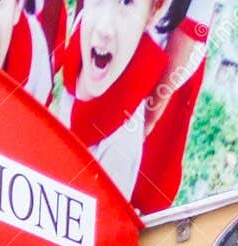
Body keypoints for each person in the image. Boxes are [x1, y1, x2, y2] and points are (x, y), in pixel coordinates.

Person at [55, 0, 181, 199]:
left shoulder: (119, 147)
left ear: (155, 9)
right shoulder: (82, 30)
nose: (104, 28)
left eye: (127, 2)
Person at [133, 0, 215, 214]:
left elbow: (190, 31)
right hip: (122, 31)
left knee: (148, 167)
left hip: (164, 58)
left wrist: (150, 115)